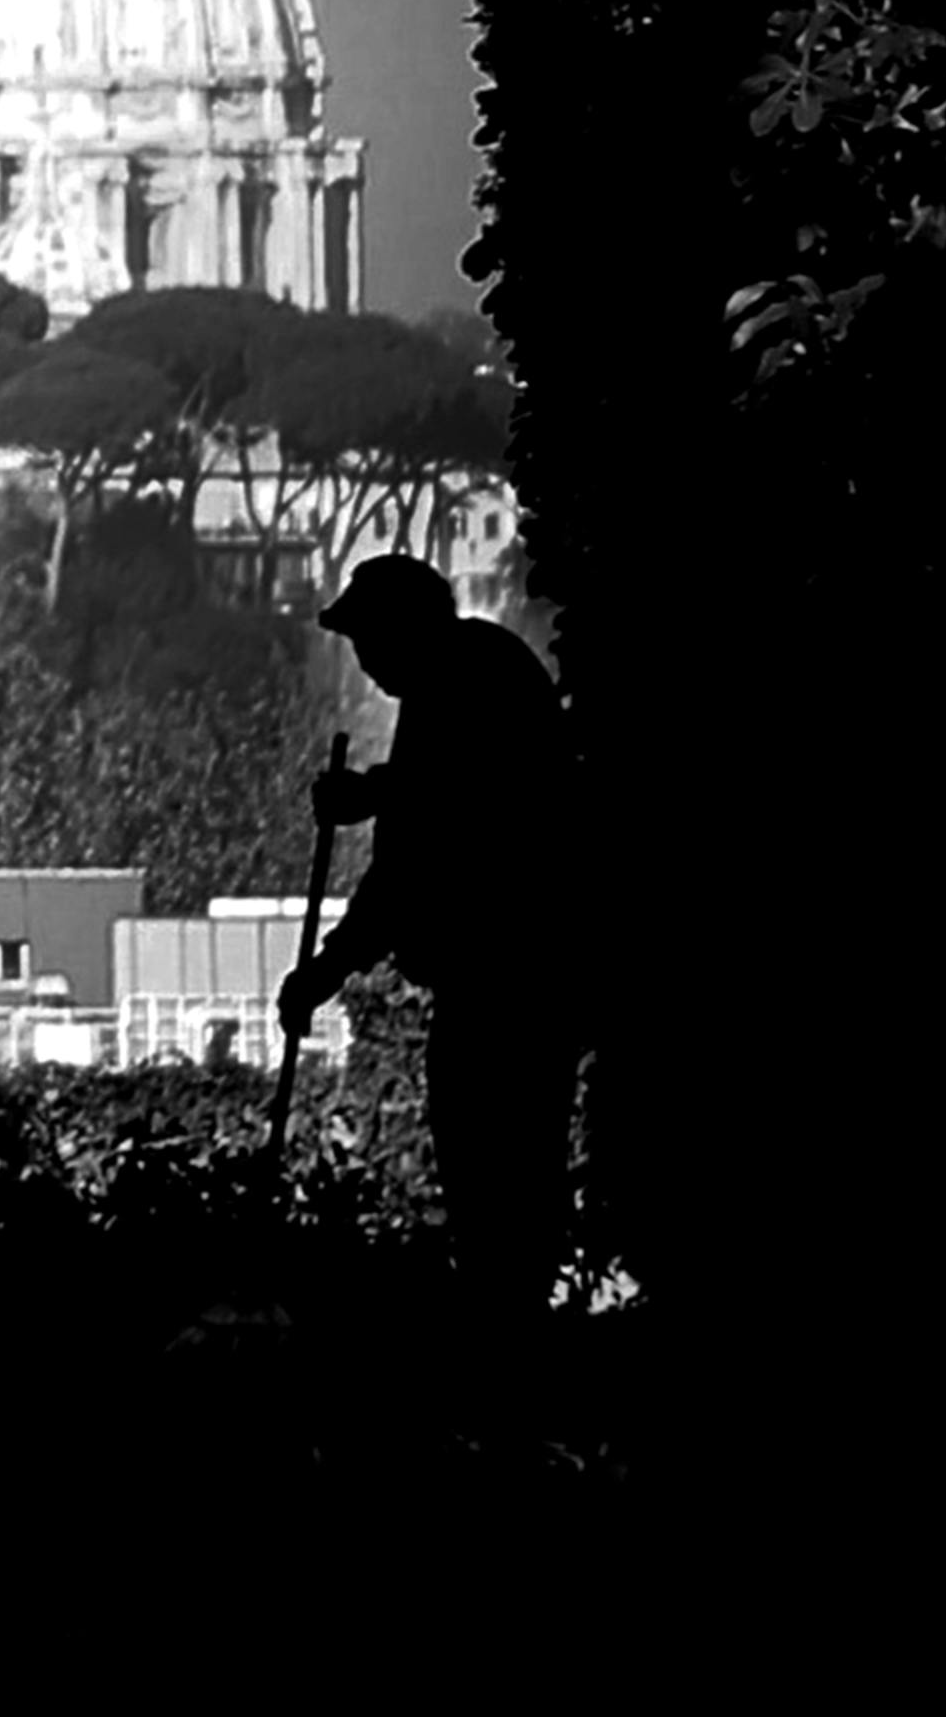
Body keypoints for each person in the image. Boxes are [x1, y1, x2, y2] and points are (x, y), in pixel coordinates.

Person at [276, 554, 588, 1318]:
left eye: (368, 641)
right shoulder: (448, 684)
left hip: (517, 975)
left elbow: (467, 801)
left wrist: (374, 794)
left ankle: (510, 1327)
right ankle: (505, 1316)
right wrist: (329, 967)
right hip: (498, 977)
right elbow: (408, 859)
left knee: (499, 1160)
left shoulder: (473, 672)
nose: (366, 663)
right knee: (489, 1164)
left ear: (404, 629)